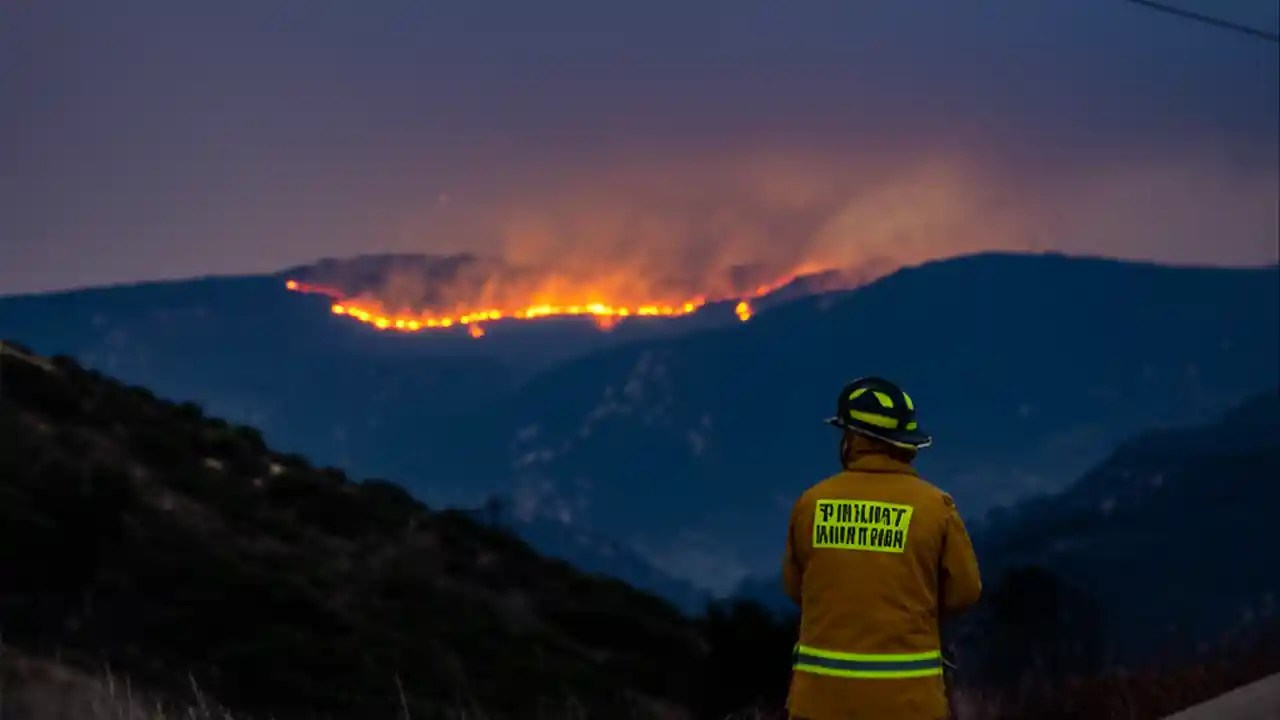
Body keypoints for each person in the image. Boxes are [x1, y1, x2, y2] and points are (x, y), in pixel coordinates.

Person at [782, 376, 982, 720]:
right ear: (905, 444)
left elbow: (795, 587)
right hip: (909, 703)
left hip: (819, 703)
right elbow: (965, 592)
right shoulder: (936, 507)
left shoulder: (811, 503)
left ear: (854, 440)